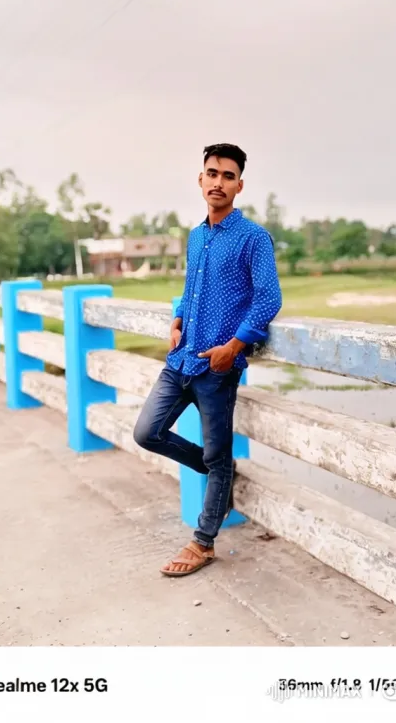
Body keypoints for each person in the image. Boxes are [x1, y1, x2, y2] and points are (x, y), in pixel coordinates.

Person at [133, 143, 282, 576]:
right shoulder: (196, 236)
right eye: (211, 173)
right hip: (180, 360)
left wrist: (233, 348)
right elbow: (189, 288)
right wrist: (177, 318)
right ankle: (221, 472)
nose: (218, 182)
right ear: (200, 180)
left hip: (217, 370)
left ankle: (203, 543)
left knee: (217, 456)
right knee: (147, 432)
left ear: (239, 185)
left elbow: (268, 298)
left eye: (228, 175)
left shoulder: (253, 238)